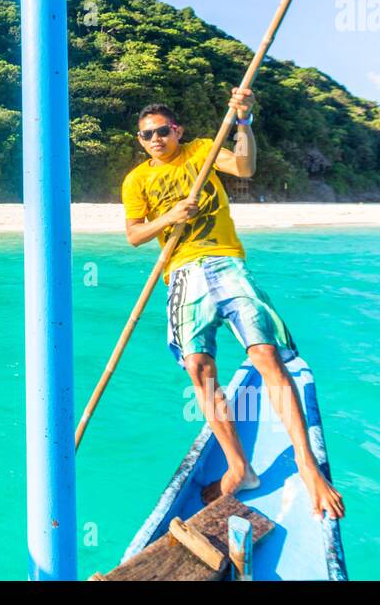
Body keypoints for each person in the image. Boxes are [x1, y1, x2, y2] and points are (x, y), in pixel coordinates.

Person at [120, 87, 345, 520]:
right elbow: (133, 235)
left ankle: (306, 464)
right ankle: (239, 467)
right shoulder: (136, 180)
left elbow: (244, 165)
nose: (155, 139)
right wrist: (170, 218)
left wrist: (243, 121)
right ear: (140, 139)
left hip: (225, 261)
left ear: (177, 131)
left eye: (162, 131)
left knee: (265, 354)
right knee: (198, 367)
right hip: (182, 272)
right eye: (147, 135)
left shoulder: (202, 150)